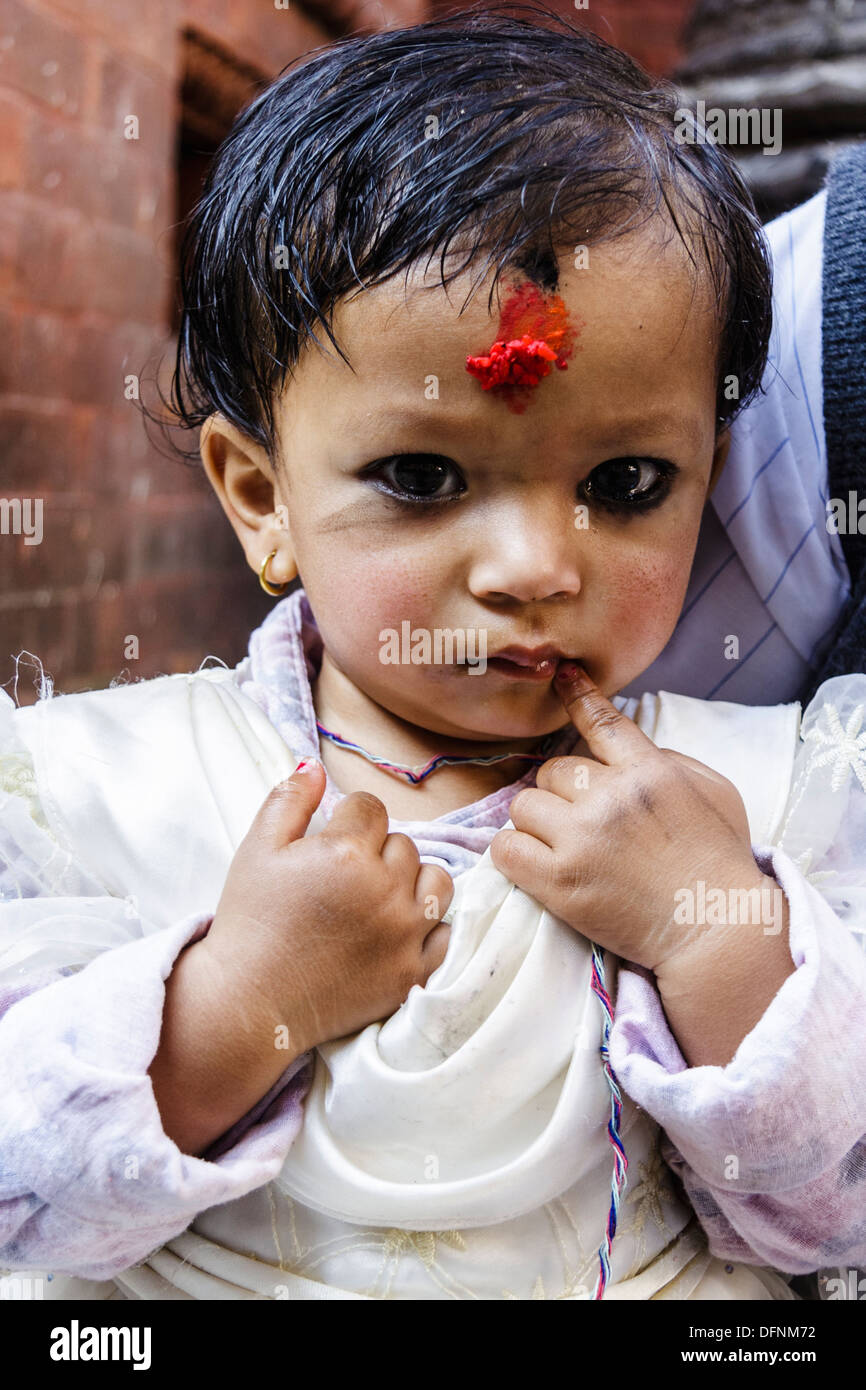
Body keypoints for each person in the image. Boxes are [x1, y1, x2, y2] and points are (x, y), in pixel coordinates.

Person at [1, 6, 864, 1301]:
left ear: (713, 475)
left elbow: (834, 1225)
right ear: (258, 497)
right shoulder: (88, 787)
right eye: (420, 473)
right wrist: (230, 1009)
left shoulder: (780, 793)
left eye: (627, 479)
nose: (531, 564)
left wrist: (721, 947)